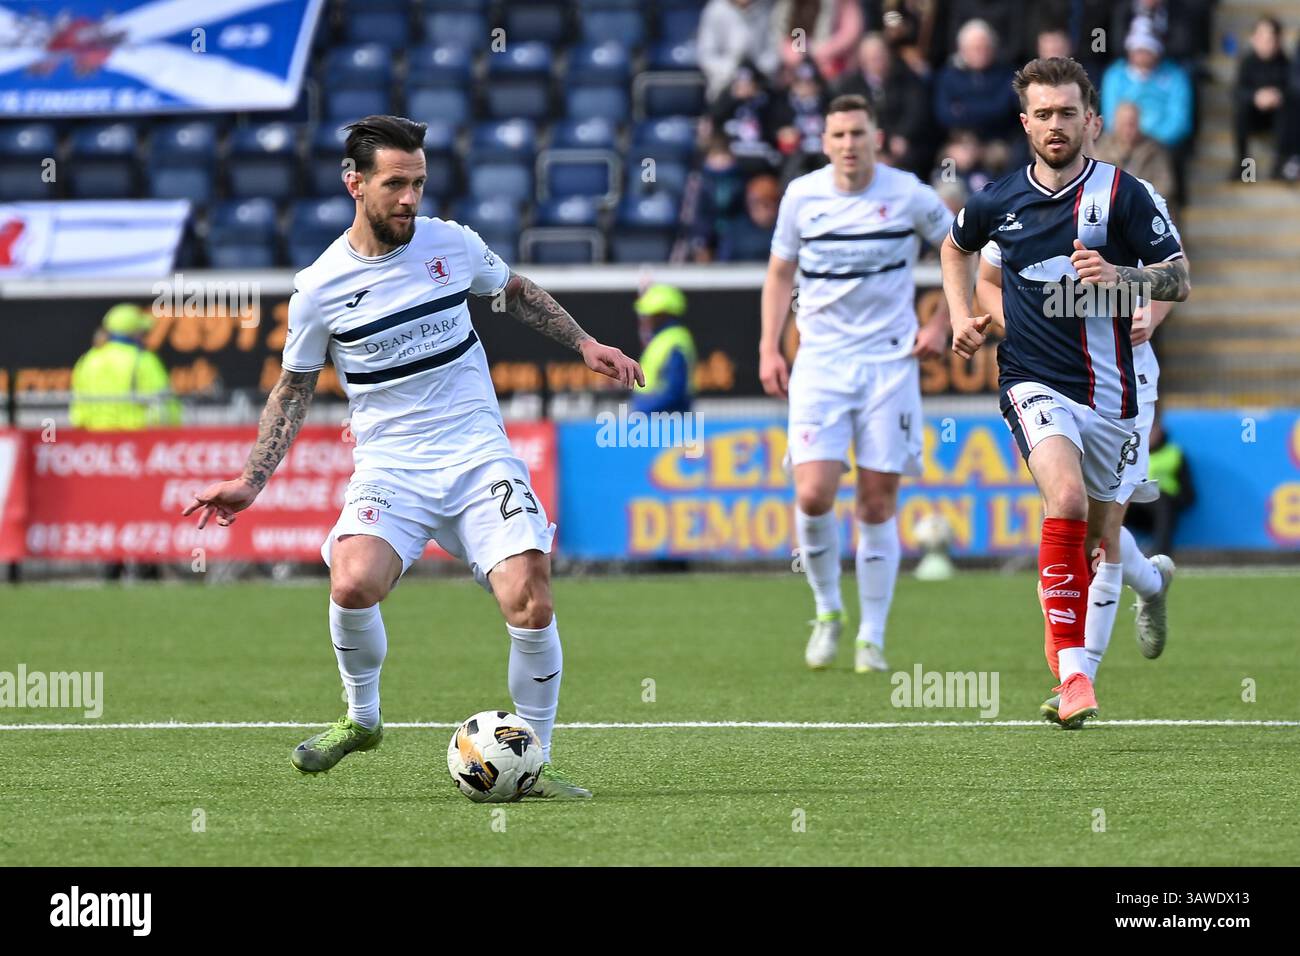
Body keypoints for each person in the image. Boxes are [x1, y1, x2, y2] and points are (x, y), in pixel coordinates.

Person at [183, 116, 642, 796]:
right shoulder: (319, 288)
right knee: (352, 582)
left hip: (478, 454)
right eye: (395, 184)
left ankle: (533, 757)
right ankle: (362, 719)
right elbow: (295, 387)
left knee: (531, 597)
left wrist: (583, 344)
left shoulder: (450, 244)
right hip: (392, 468)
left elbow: (513, 292)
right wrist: (253, 481)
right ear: (355, 184)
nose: (409, 198)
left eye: (418, 183)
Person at [942, 57, 1189, 729]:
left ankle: (1152, 581)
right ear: (1025, 123)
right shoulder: (1001, 200)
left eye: (1067, 112)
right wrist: (966, 316)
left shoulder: (1125, 196)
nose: (1056, 124)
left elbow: (1179, 280)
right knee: (1069, 499)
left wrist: (1124, 277)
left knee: (1102, 542)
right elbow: (957, 248)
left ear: (1091, 119)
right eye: (1043, 114)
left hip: (1115, 393)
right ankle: (1075, 675)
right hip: (1033, 381)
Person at [760, 93, 954, 674]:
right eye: (839, 134)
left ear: (877, 137)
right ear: (825, 141)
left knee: (876, 502)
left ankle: (872, 634)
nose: (849, 144)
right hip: (819, 363)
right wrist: (769, 345)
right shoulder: (802, 196)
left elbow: (961, 249)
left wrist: (944, 321)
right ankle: (827, 611)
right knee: (814, 493)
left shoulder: (909, 195)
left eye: (858, 133)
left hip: (889, 365)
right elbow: (778, 273)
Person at [70, 303, 180, 431]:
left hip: (95, 442)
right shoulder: (143, 360)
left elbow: (77, 412)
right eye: (143, 333)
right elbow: (164, 408)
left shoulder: (88, 360)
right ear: (136, 333)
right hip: (135, 441)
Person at [1232, 16, 1291, 180]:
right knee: (1241, 110)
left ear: (1278, 41)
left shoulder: (1286, 64)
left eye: (1269, 38)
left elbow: (1292, 90)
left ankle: (1281, 165)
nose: (1265, 43)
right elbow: (1237, 92)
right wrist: (1255, 97)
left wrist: (1277, 96)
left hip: (1278, 119)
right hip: (1252, 116)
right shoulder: (1247, 63)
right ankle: (1245, 168)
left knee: (1288, 109)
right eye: (1261, 37)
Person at [631, 284, 696, 415]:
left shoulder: (674, 342)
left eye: (650, 314)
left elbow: (674, 390)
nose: (646, 319)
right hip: (659, 421)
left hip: (667, 422)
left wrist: (641, 409)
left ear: (662, 314)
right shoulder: (666, 339)